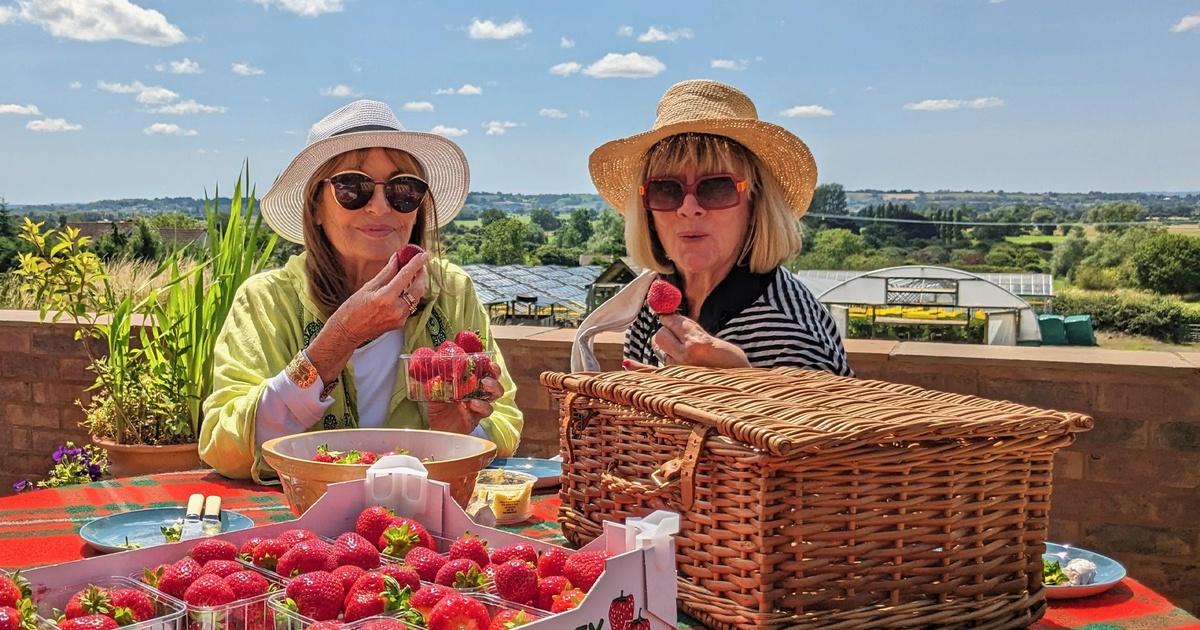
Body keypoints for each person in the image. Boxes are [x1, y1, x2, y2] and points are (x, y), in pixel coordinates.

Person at [201, 100, 522, 483]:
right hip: (305, 525)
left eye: (403, 190)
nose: (380, 207)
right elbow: (225, 447)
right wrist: (338, 339)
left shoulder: (451, 291)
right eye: (353, 187)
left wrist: (457, 435)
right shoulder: (266, 300)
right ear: (316, 207)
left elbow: (504, 418)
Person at [572, 80, 851, 376]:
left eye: (717, 187)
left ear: (755, 202)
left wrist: (740, 388)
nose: (688, 207)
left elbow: (830, 422)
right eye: (666, 190)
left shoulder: (790, 331)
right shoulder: (649, 305)